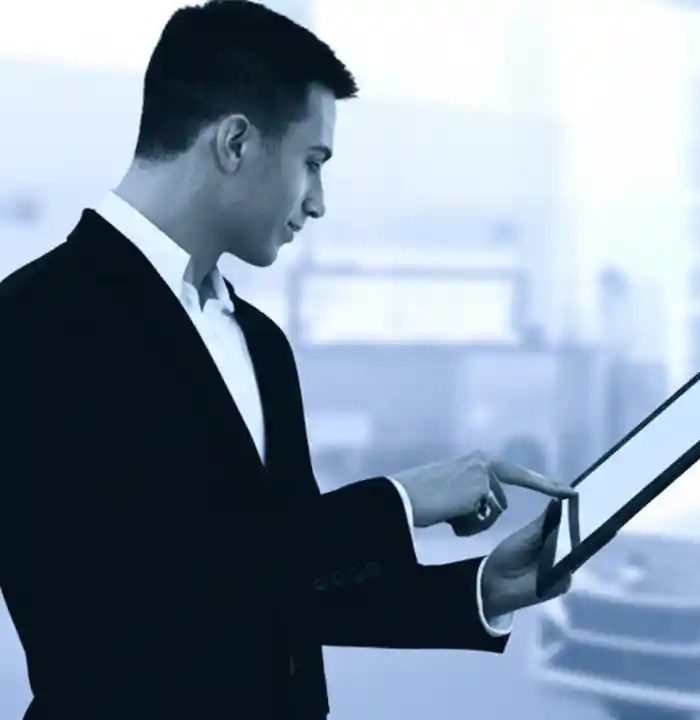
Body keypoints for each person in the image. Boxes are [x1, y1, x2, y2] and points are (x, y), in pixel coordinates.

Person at [0, 2, 576, 718]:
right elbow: (146, 606)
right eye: (313, 163)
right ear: (236, 142)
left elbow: (297, 581)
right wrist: (402, 500)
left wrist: (481, 589)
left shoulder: (260, 343)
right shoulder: (31, 326)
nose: (320, 202)